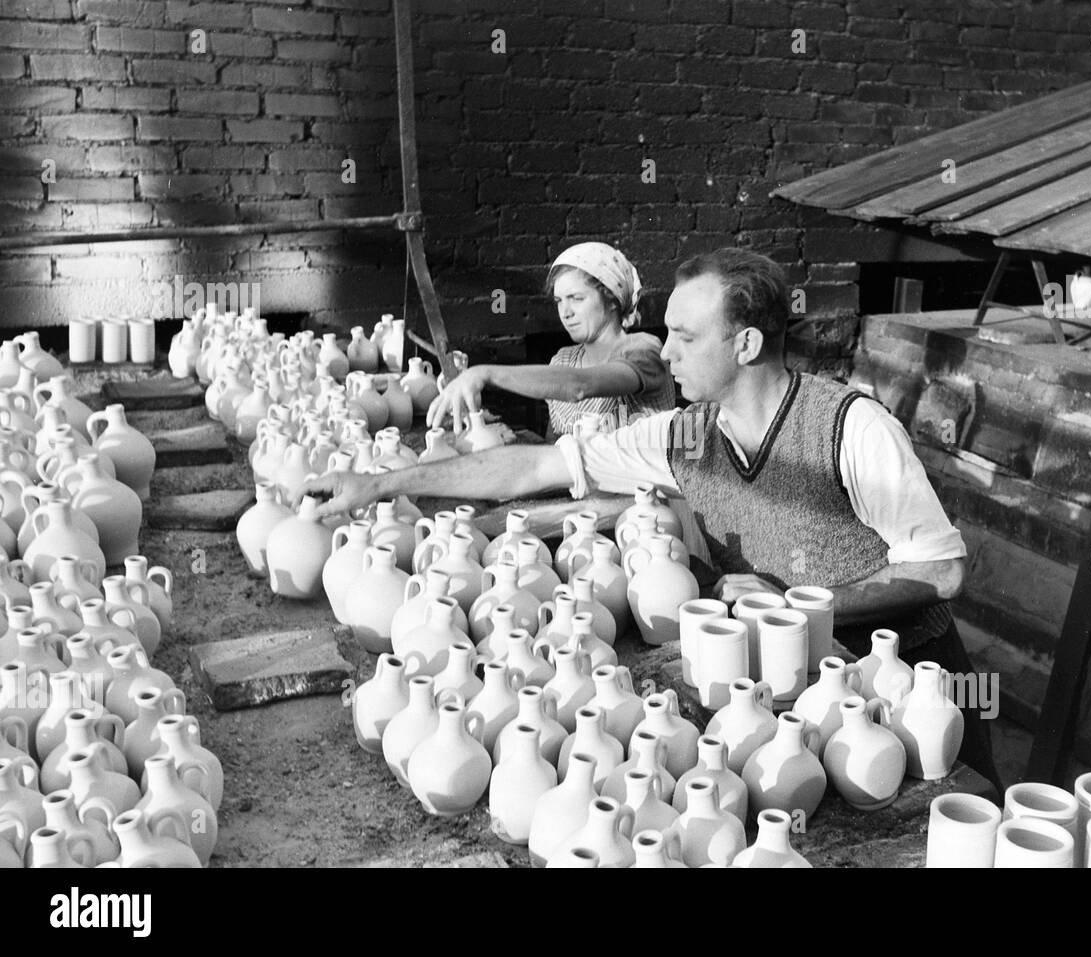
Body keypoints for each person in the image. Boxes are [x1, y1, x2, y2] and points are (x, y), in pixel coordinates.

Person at [298, 247, 1002, 794]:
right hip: (797, 699)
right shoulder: (684, 435)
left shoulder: (850, 429)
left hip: (909, 695)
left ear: (747, 345)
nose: (662, 355)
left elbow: (940, 568)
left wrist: (803, 606)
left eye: (684, 338)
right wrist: (380, 484)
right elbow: (530, 468)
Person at [427, 242, 677, 438]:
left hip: (641, 496)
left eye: (577, 298)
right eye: (559, 301)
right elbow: (556, 441)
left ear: (612, 299)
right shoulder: (564, 359)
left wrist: (484, 374)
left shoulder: (644, 349)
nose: (565, 312)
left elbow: (579, 387)